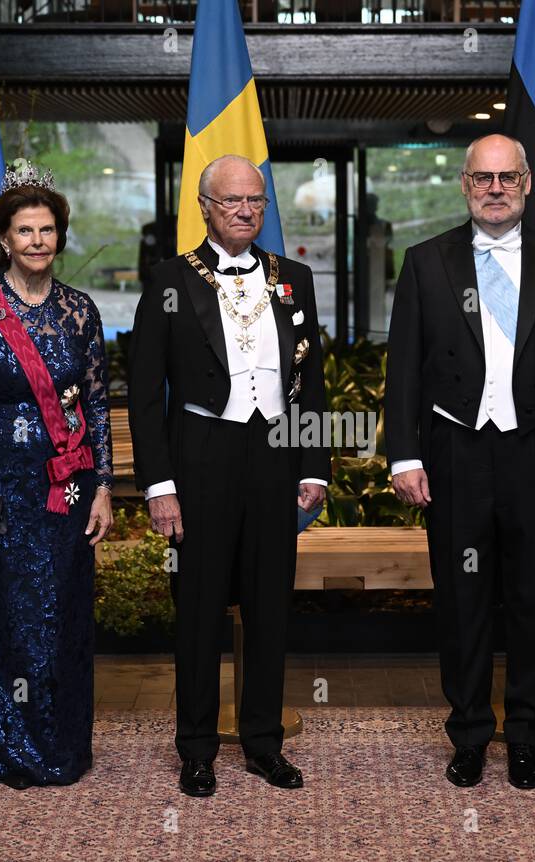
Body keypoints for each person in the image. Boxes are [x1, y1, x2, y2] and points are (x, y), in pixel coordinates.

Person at [384, 133, 535, 789]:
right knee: (462, 600)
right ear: (464, 184)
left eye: (507, 177)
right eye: (483, 178)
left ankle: (526, 736)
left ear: (528, 183)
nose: (495, 188)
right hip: (454, 453)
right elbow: (403, 371)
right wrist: (404, 453)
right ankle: (471, 732)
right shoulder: (426, 263)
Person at [128, 155, 330, 798]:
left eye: (256, 200)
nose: (246, 210)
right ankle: (196, 748)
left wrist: (315, 465)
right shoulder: (166, 278)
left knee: (270, 606)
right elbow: (141, 392)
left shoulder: (294, 278)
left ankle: (263, 743)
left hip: (274, 451)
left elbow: (313, 382)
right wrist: (158, 485)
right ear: (205, 206)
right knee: (199, 608)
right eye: (233, 200)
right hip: (202, 454)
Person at [0, 162, 114, 790]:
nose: (38, 241)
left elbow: (96, 404)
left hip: (64, 485)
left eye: (47, 230)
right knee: (5, 615)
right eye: (26, 231)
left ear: (58, 237)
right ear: (4, 241)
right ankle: (5, 749)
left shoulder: (80, 312)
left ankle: (63, 745)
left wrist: (104, 488)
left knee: (64, 612)